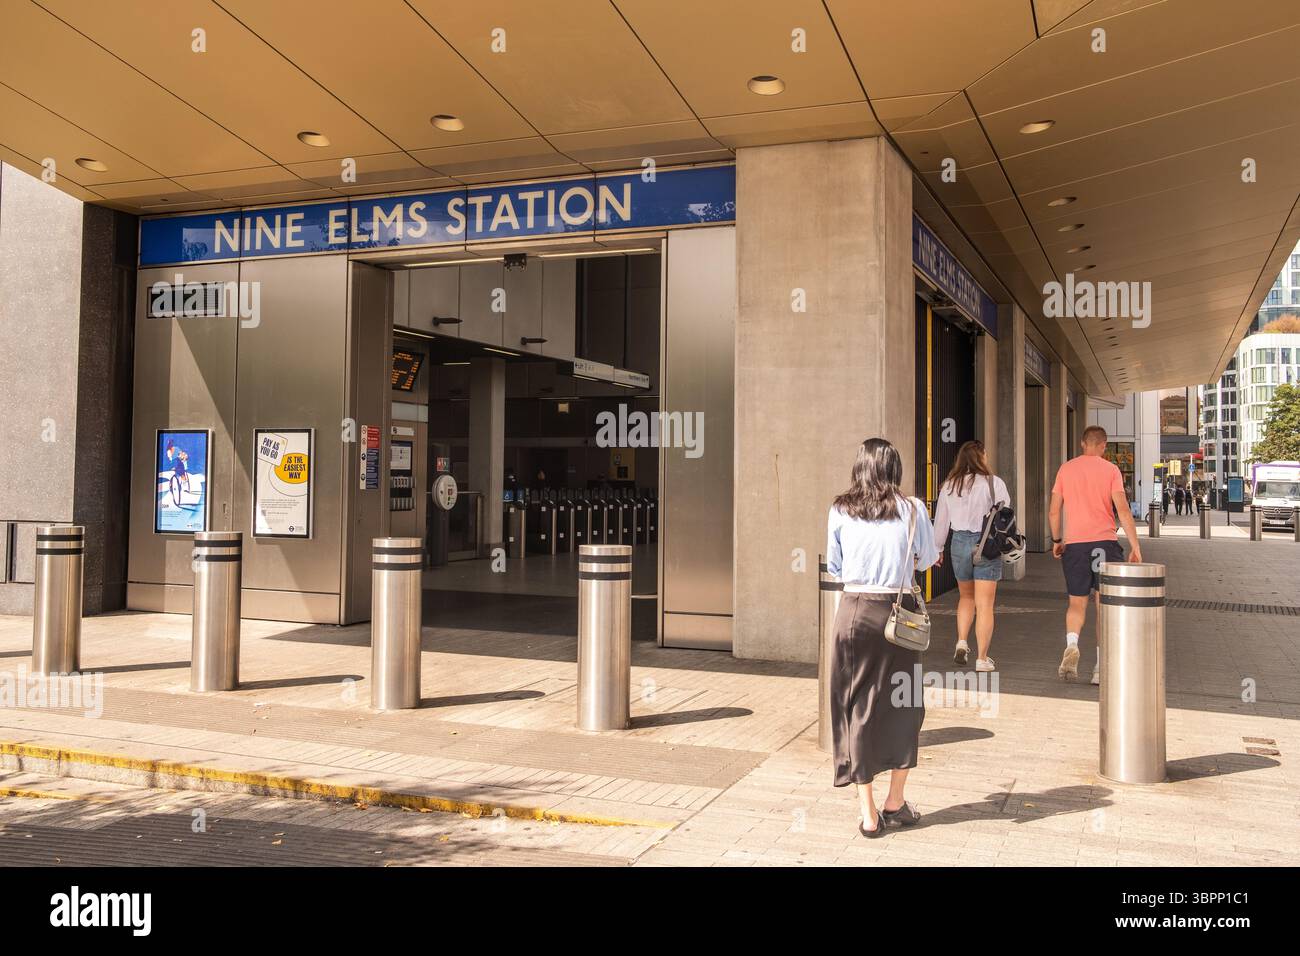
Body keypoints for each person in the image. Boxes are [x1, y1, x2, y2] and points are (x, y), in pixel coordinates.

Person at [826, 438, 940, 837]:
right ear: (895, 469)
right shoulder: (913, 510)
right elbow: (927, 560)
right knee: (905, 704)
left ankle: (868, 813)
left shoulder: (839, 509)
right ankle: (896, 800)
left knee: (857, 705)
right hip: (899, 615)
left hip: (855, 613)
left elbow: (835, 567)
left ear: (860, 467)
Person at [1049, 425, 1143, 685]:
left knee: (1076, 604)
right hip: (1105, 543)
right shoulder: (1111, 470)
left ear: (1082, 443)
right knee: (1105, 606)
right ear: (1103, 446)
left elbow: (1054, 511)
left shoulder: (1066, 469)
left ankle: (1072, 644)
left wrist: (1057, 540)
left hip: (1075, 545)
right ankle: (1101, 667)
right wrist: (1135, 545)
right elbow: (1123, 510)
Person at [932, 439, 1008, 673]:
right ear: (982, 456)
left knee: (966, 597)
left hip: (959, 542)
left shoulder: (949, 485)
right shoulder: (993, 484)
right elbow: (1005, 515)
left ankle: (962, 641)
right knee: (985, 605)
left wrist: (938, 549)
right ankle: (982, 658)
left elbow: (941, 520)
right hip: (985, 544)